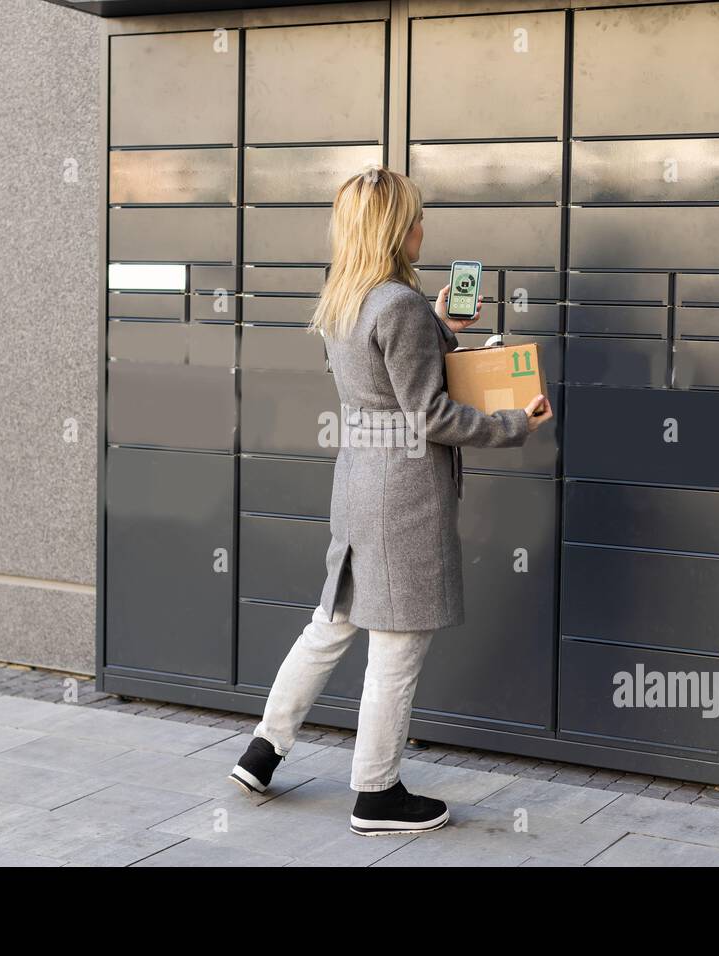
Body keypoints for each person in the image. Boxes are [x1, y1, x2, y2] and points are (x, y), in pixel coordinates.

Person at [229, 163, 553, 836]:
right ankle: (376, 794)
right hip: (403, 497)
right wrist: (516, 423)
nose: (423, 226)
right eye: (417, 216)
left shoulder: (346, 298)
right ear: (395, 228)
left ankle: (264, 750)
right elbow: (429, 415)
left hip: (359, 485)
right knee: (397, 645)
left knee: (332, 622)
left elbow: (384, 382)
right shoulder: (398, 305)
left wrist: (441, 326)